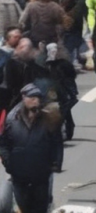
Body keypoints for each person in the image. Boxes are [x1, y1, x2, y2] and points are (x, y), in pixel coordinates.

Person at [0, 83, 60, 213]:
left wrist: (55, 163)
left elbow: (56, 141)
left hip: (41, 174)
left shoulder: (48, 117)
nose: (35, 100)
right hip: (19, 174)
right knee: (24, 206)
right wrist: (8, 162)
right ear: (23, 98)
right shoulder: (12, 119)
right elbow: (4, 143)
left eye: (37, 97)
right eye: (31, 97)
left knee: (40, 207)